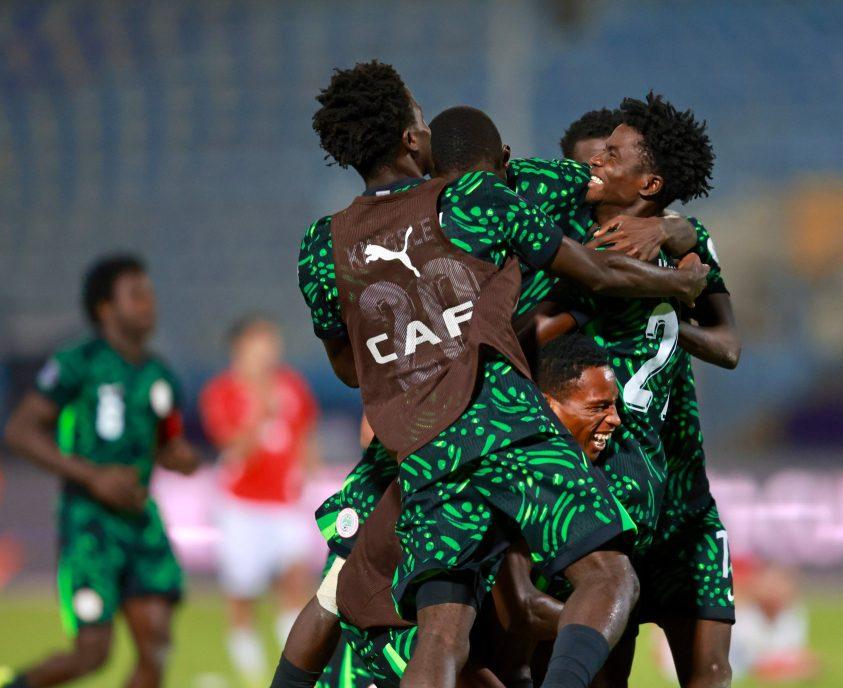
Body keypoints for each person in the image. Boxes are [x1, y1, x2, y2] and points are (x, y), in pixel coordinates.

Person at [285, 61, 709, 688]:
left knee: (442, 633)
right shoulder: (470, 199)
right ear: (410, 139)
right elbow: (595, 271)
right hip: (504, 428)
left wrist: (418, 341)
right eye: (421, 120)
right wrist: (681, 278)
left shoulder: (324, 244)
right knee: (610, 575)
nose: (428, 131)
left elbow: (349, 369)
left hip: (422, 449)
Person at [537, 96, 738, 688]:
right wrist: (639, 286)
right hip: (608, 482)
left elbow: (728, 347)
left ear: (648, 182)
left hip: (683, 494)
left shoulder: (685, 238)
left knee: (711, 672)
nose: (590, 169)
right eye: (583, 162)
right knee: (605, 663)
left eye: (606, 156)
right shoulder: (567, 245)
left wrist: (673, 296)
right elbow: (532, 333)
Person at [328, 334, 625, 688]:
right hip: (394, 641)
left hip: (471, 655)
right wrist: (601, 618)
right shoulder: (498, 472)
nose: (615, 420)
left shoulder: (565, 480)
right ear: (547, 405)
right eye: (597, 407)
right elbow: (521, 609)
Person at [1, 255, 200, 688]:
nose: (149, 303)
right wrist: (92, 476)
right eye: (136, 294)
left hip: (141, 521)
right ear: (106, 308)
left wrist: (179, 457)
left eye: (149, 292)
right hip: (90, 524)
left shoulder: (159, 374)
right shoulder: (78, 363)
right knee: (93, 653)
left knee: (156, 646)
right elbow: (19, 431)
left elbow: (167, 444)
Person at [199, 316, 319, 686]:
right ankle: (249, 674)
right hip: (242, 509)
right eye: (259, 344)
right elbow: (231, 447)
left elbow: (305, 434)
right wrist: (259, 414)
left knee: (296, 583)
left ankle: (295, 669)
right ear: (240, 350)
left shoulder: (292, 386)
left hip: (285, 505)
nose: (268, 352)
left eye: (271, 343)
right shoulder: (221, 393)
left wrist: (308, 469)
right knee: (242, 596)